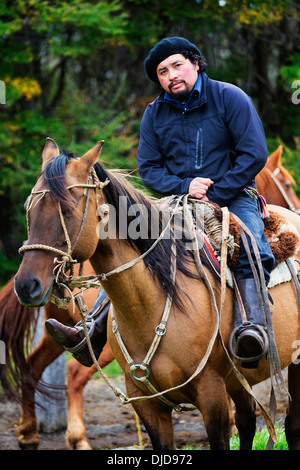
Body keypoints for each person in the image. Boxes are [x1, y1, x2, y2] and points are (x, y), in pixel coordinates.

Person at [46, 37, 275, 369]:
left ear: (195, 63)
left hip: (234, 195)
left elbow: (254, 154)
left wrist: (215, 192)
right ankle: (91, 330)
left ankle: (251, 327)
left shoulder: (230, 97)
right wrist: (184, 186)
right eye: (163, 71)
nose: (171, 75)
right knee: (127, 242)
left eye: (177, 65)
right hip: (174, 201)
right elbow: (150, 169)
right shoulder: (154, 113)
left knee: (251, 245)